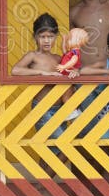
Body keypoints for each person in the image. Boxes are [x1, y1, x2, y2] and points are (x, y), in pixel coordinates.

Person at [11, 13, 75, 154]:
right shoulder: (32, 56)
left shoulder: (58, 58)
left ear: (56, 37)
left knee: (52, 150)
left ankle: (43, 176)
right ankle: (45, 177)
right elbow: (15, 70)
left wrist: (71, 69)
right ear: (35, 37)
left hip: (60, 109)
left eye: (50, 37)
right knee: (63, 146)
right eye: (42, 37)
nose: (46, 41)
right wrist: (42, 73)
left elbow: (69, 73)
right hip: (42, 109)